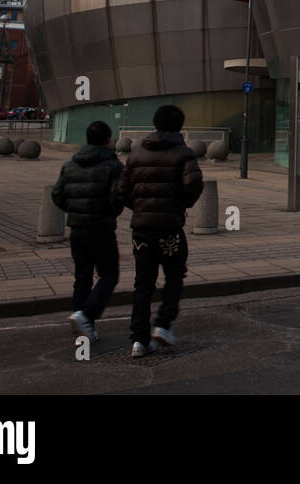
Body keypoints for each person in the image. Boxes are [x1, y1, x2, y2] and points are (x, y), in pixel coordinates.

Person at [119, 104, 203, 358]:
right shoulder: (184, 153)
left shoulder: (135, 153)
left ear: (155, 124)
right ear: (180, 126)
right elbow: (194, 185)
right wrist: (180, 205)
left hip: (141, 229)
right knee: (175, 274)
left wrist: (140, 208)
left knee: (143, 283)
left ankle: (139, 340)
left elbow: (122, 191)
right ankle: (163, 324)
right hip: (169, 228)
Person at [51, 120, 123, 341]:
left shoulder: (70, 164)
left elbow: (57, 195)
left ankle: (84, 329)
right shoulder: (113, 166)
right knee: (109, 274)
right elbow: (117, 198)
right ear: (108, 140)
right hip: (101, 228)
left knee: (82, 277)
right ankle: (86, 315)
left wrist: (75, 210)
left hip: (77, 228)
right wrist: (109, 212)